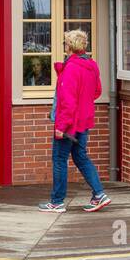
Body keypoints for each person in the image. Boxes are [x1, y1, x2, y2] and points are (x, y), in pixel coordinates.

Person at [38, 28, 110, 213]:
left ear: (70, 46)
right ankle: (99, 194)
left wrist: (61, 127)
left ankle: (57, 202)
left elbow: (68, 102)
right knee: (80, 157)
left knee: (59, 159)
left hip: (69, 124)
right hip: (83, 121)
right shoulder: (91, 65)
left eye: (65, 43)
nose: (64, 46)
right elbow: (96, 91)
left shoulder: (71, 68)